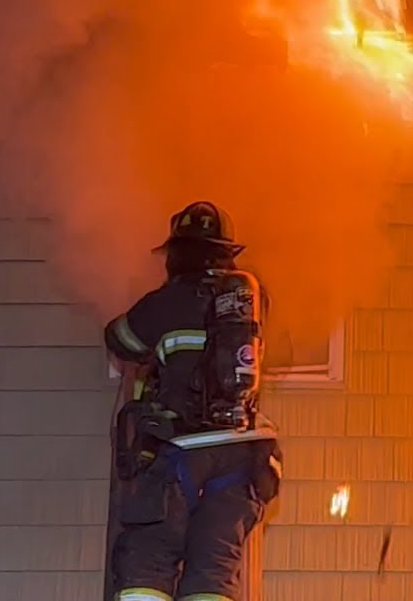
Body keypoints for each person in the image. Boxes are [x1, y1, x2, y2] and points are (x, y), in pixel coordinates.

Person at [104, 201, 284, 601]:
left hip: (179, 451)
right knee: (214, 569)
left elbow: (119, 338)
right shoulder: (252, 298)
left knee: (148, 560)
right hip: (242, 453)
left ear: (176, 254)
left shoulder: (166, 301)